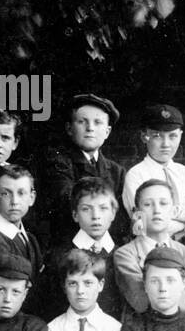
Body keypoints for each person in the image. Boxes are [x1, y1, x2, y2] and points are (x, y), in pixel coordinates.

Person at [38, 93, 128, 244]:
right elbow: (67, 205)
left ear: (107, 132)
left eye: (98, 122)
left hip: (108, 246)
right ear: (69, 128)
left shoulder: (116, 171)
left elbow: (120, 219)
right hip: (70, 245)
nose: (90, 128)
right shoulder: (58, 164)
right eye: (82, 122)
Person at [121, 103, 185, 242]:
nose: (166, 144)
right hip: (149, 252)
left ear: (180, 136)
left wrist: (165, 214)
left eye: (173, 136)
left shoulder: (184, 173)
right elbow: (145, 225)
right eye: (157, 136)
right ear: (144, 136)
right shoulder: (136, 175)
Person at [113, 180, 185, 317]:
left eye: (163, 203)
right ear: (137, 212)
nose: (157, 210)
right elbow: (142, 302)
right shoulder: (125, 255)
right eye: (148, 204)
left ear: (173, 210)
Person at [42, 177, 124, 321]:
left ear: (113, 213)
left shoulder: (122, 255)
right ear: (75, 215)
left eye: (103, 208)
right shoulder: (59, 256)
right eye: (86, 209)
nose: (96, 216)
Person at [0, 164, 46, 309]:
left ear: (31, 198)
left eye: (21, 193)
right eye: (6, 194)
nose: (14, 201)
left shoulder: (29, 238)